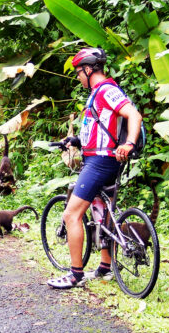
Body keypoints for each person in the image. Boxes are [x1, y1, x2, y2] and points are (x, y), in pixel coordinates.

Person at [47, 47, 143, 289]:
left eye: (79, 72)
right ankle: (105, 267)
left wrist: (129, 143)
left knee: (71, 214)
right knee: (102, 213)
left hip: (101, 162)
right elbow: (102, 129)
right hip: (99, 157)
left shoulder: (105, 90)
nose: (78, 76)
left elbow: (134, 114)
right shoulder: (96, 93)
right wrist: (77, 141)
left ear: (89, 69)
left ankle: (75, 275)